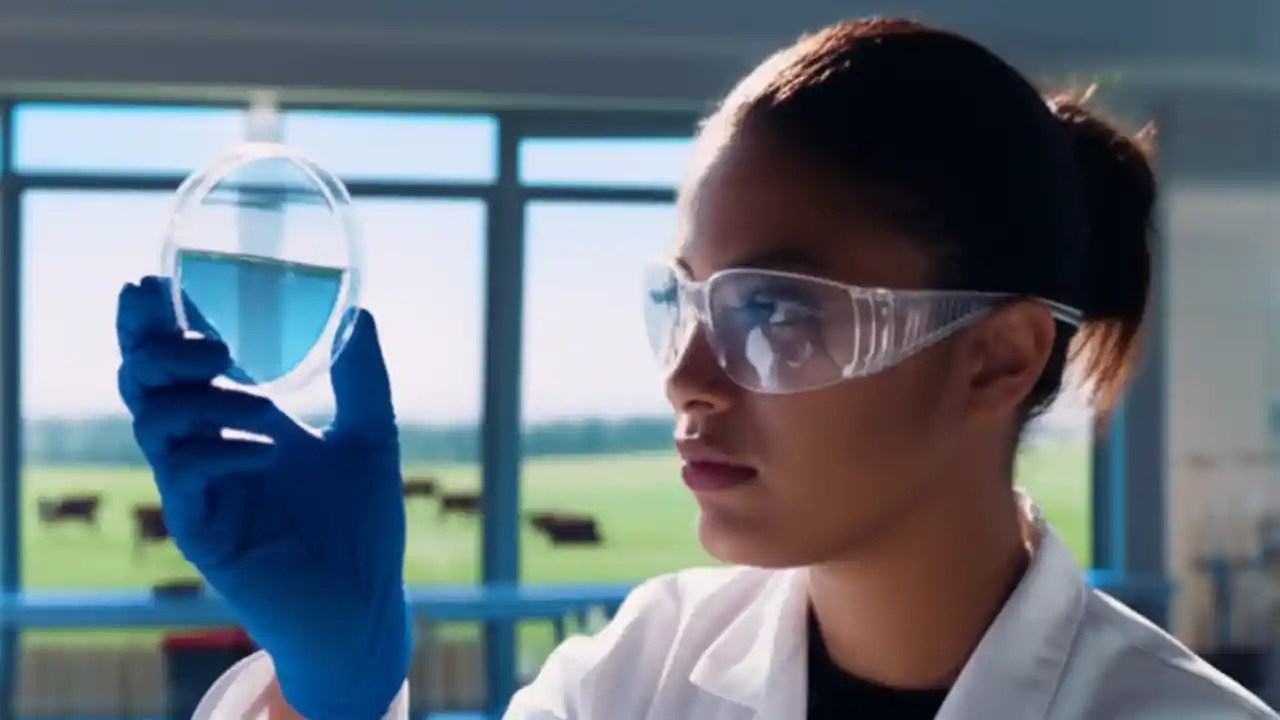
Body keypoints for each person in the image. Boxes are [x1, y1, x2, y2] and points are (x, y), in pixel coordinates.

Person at [114, 16, 1279, 720]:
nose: (686, 376)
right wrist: (330, 694)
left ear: (995, 357)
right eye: (681, 300)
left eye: (773, 309)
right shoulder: (638, 675)